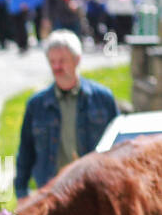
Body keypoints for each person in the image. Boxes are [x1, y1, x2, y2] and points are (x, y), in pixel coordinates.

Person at [13, 30, 118, 198]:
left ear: (77, 60)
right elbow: (25, 152)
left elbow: (118, 148)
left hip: (94, 191)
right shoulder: (36, 105)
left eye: (62, 61)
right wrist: (22, 194)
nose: (56, 67)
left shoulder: (103, 99)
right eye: (52, 62)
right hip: (52, 192)